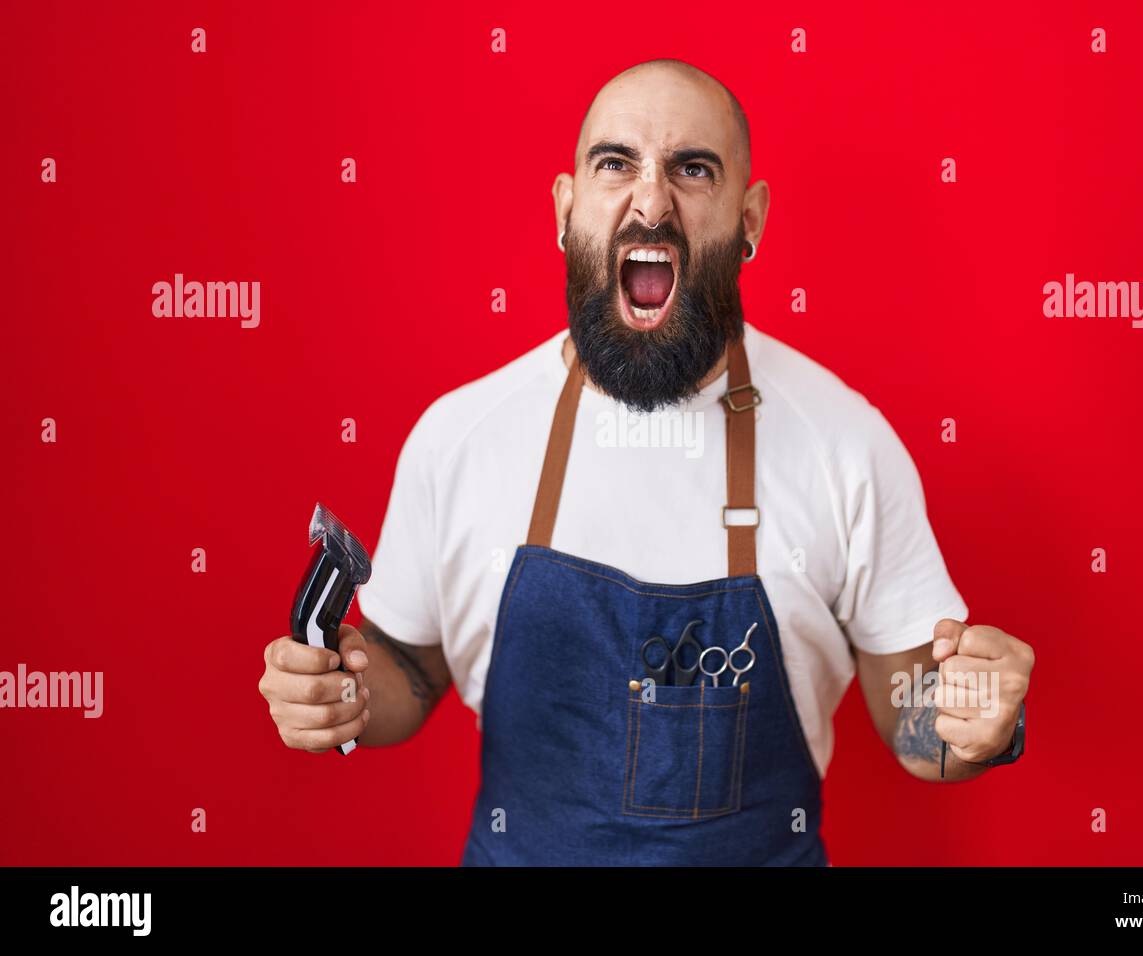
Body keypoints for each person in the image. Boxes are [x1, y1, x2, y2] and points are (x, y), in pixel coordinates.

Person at [258, 58, 1035, 866]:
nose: (653, 201)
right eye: (616, 163)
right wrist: (342, 692)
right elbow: (410, 672)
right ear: (567, 209)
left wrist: (975, 716)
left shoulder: (847, 443)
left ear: (751, 219)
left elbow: (913, 720)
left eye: (693, 169)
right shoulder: (460, 436)